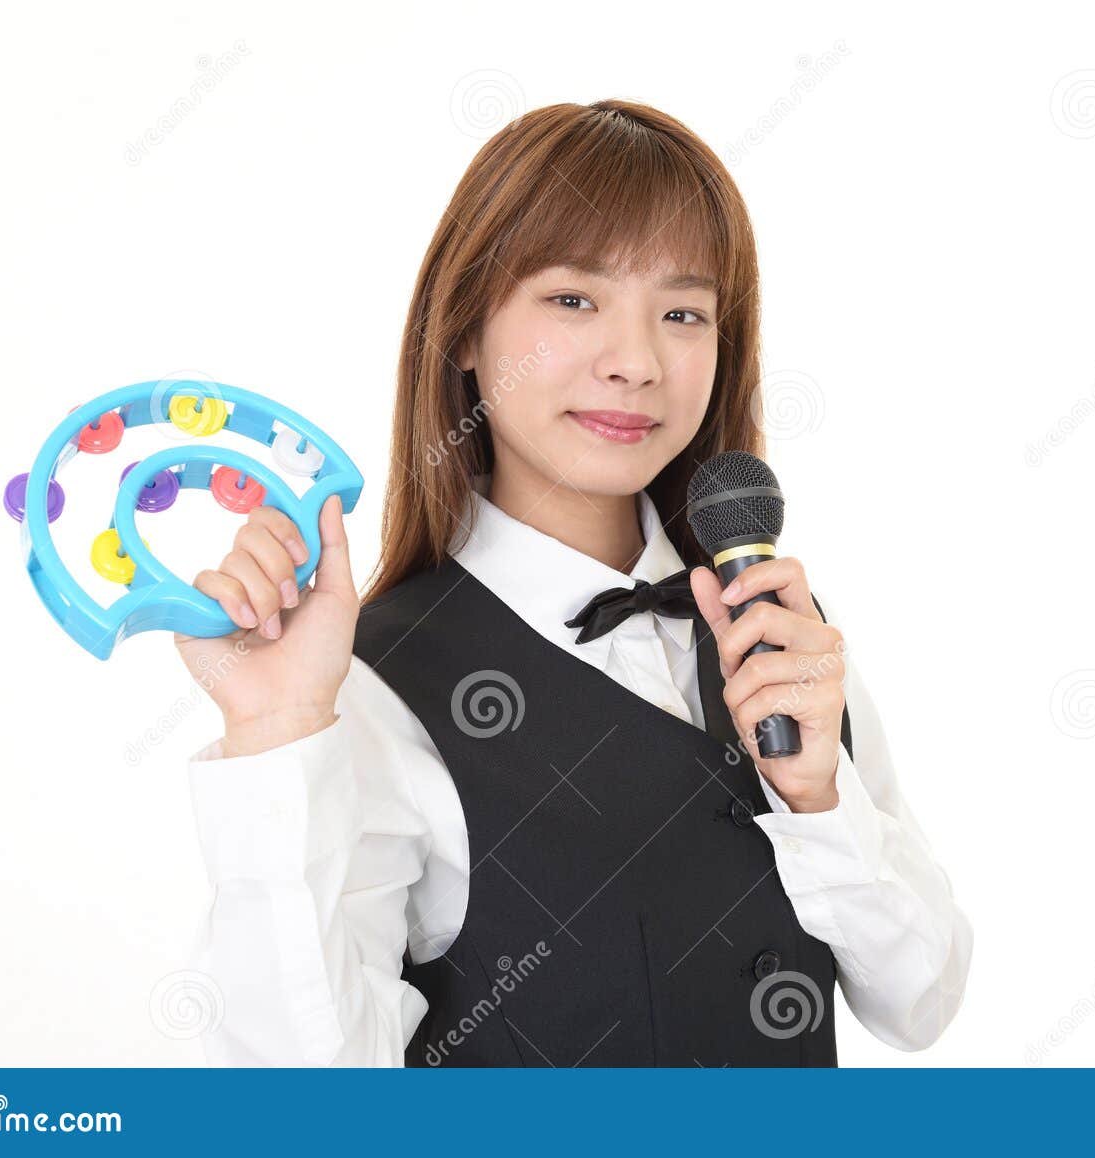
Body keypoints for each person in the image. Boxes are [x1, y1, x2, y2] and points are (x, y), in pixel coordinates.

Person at [178, 98, 972, 1066]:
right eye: (572, 299)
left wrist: (816, 798)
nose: (636, 363)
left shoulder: (781, 634)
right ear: (464, 330)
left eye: (682, 313)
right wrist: (270, 737)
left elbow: (919, 1004)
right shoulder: (365, 685)